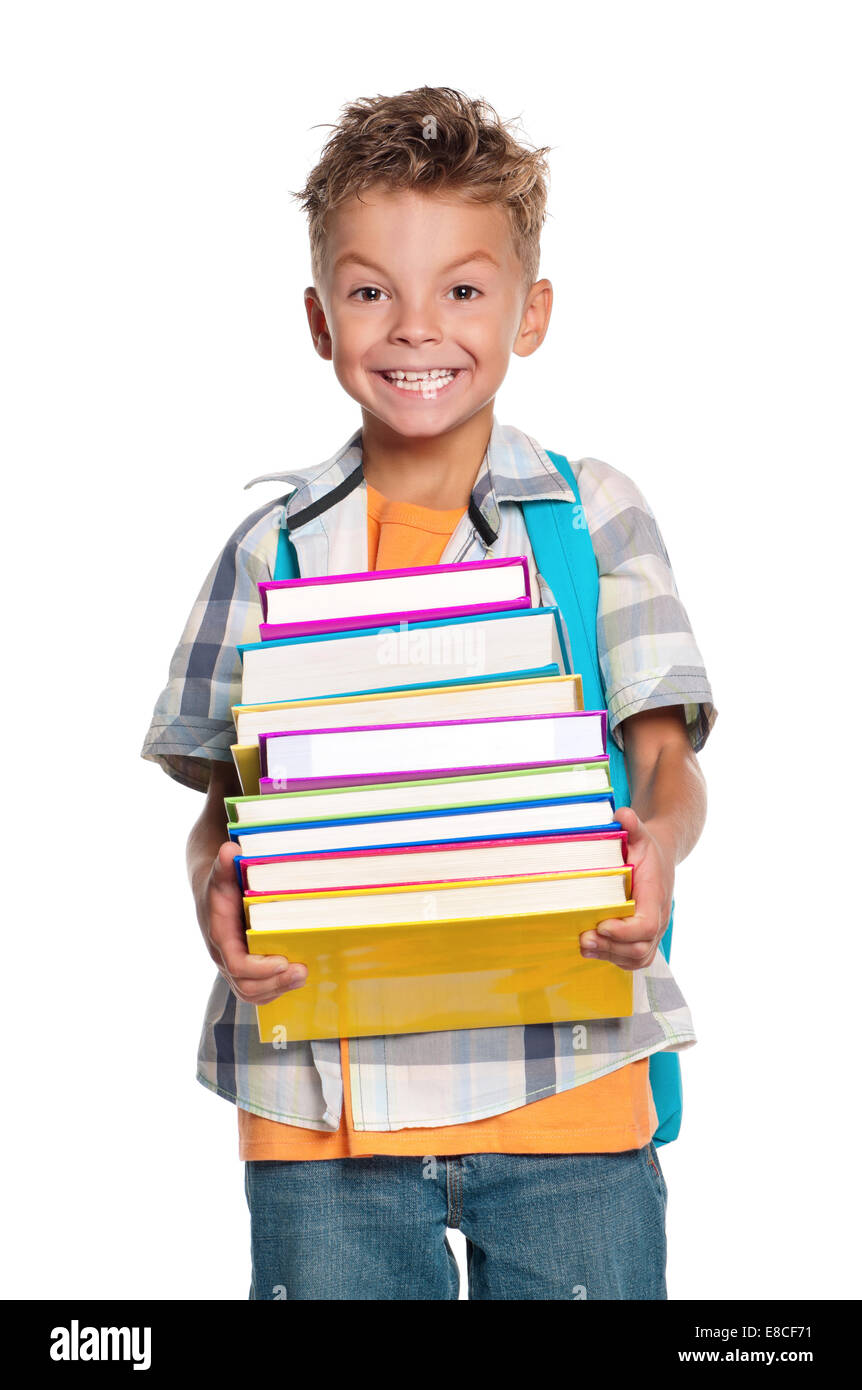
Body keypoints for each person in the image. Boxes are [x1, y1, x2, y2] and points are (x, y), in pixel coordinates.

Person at [141, 85, 717, 1301]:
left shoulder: (588, 510)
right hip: (323, 1108)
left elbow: (663, 756)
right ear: (318, 317)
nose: (416, 329)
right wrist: (213, 886)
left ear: (528, 310)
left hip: (565, 1081)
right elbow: (221, 800)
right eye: (370, 292)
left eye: (461, 290)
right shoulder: (271, 547)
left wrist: (656, 844)